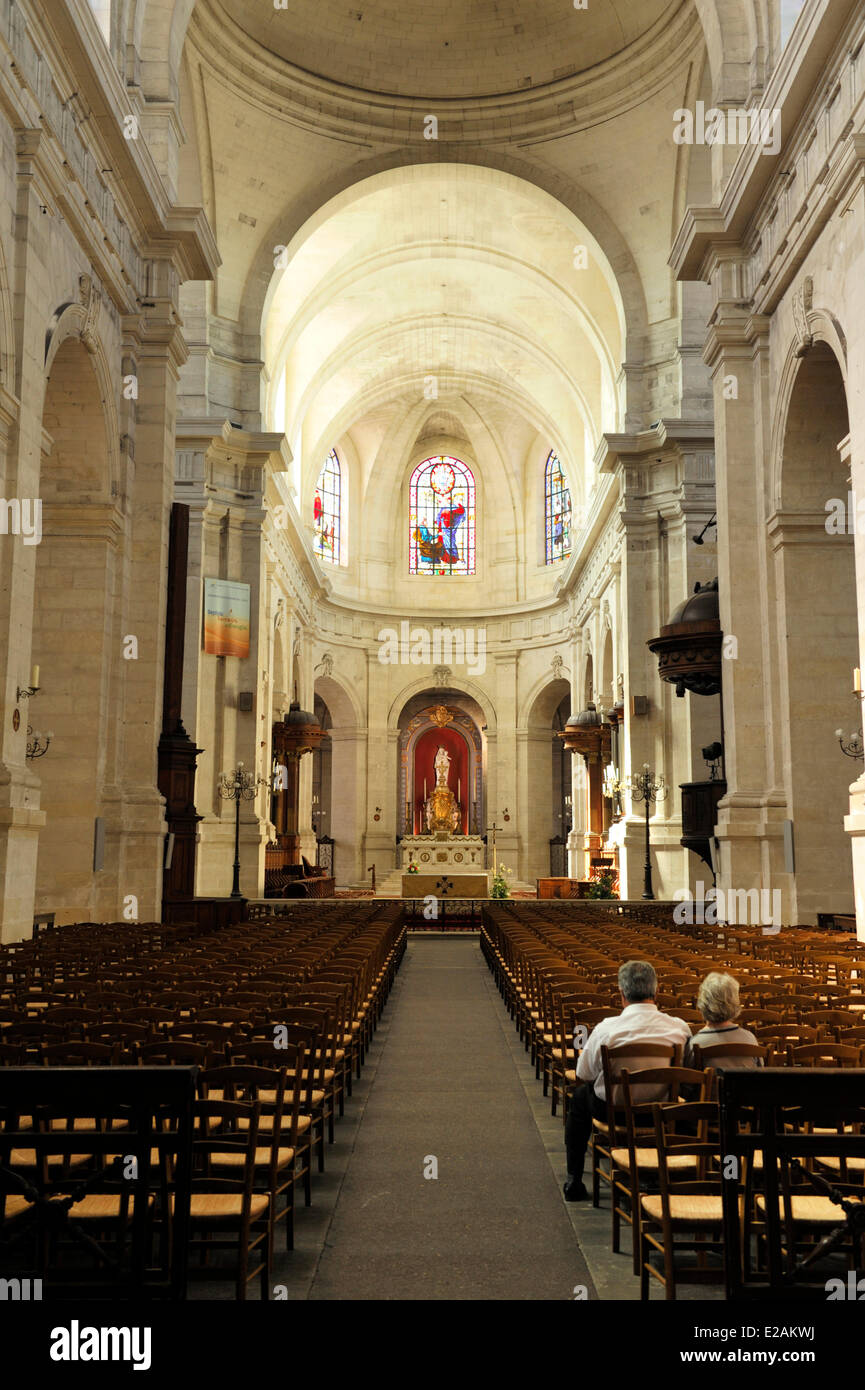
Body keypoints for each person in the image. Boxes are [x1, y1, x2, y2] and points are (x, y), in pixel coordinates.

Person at [563, 960, 691, 1202]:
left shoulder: (606, 1029)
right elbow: (687, 1070)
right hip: (661, 1113)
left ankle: (574, 1179)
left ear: (621, 994)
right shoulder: (679, 1028)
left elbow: (583, 1074)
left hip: (616, 1113)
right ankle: (668, 1175)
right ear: (657, 990)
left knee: (580, 1098)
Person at [684, 972, 761, 1068]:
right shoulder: (750, 1039)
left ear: (703, 1003)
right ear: (735, 1003)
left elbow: (689, 1081)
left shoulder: (695, 1043)